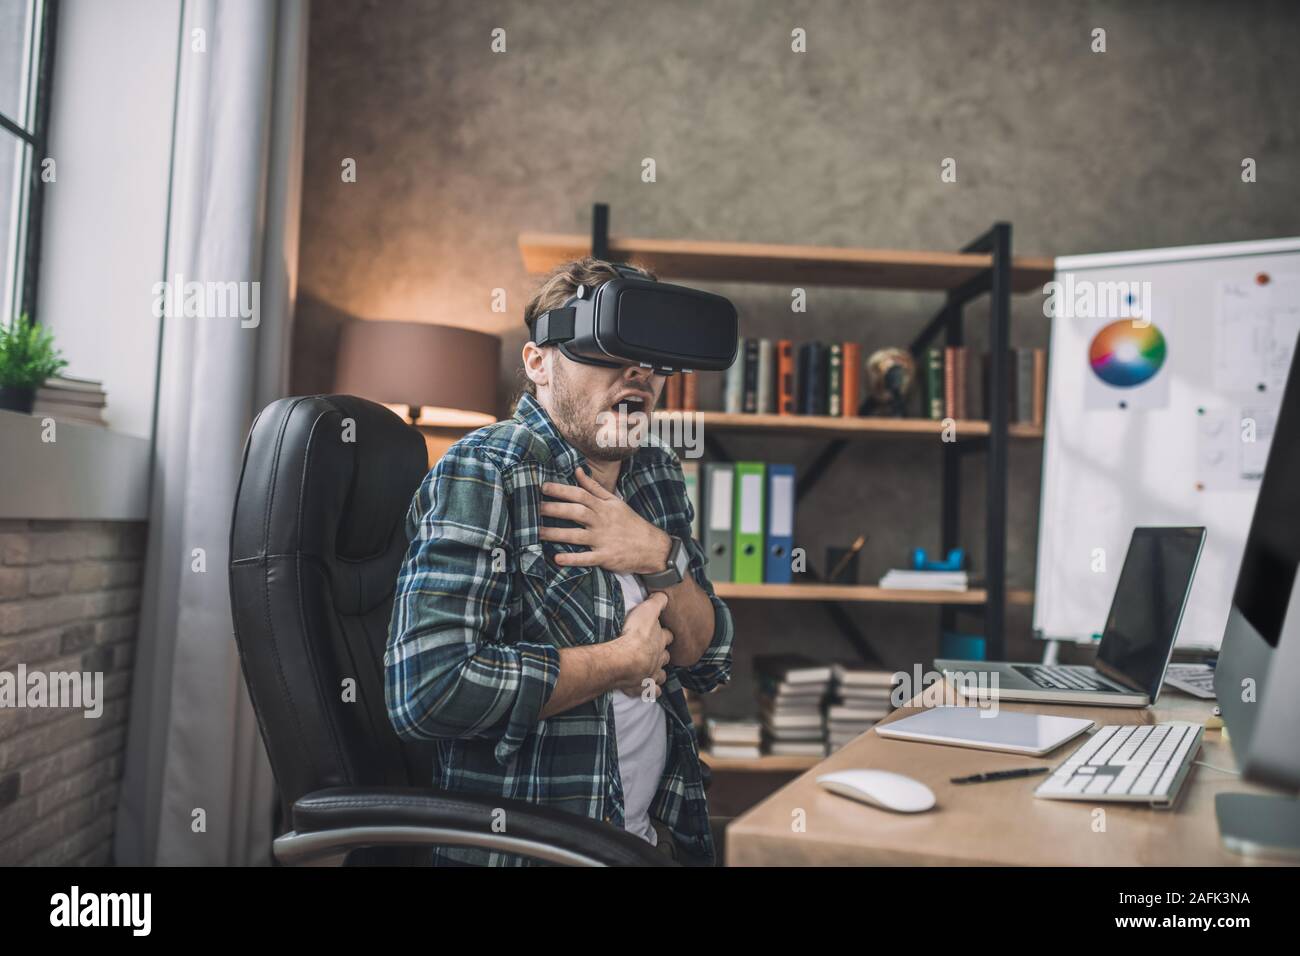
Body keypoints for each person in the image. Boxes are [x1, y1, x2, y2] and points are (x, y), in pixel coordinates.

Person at [385, 257, 734, 866]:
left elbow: (706, 656)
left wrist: (656, 552)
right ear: (538, 362)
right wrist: (620, 662)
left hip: (652, 838)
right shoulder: (488, 470)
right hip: (537, 851)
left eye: (651, 360)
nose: (638, 374)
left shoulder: (656, 476)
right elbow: (430, 689)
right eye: (608, 350)